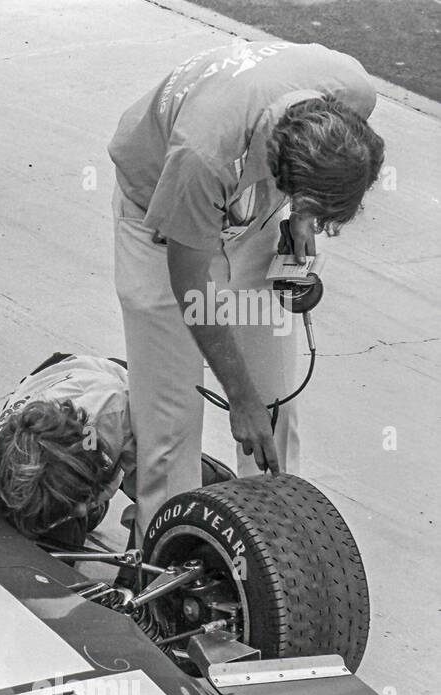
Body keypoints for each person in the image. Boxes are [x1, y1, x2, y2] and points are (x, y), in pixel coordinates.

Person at [108, 39, 383, 541]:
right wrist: (240, 398)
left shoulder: (350, 87)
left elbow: (332, 156)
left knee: (275, 403)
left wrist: (302, 217)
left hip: (250, 210)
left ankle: (276, 550)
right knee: (172, 422)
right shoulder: (202, 154)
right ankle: (163, 559)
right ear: (284, 174)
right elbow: (191, 287)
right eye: (311, 204)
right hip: (160, 221)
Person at [0, 353, 233, 546]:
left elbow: (156, 500)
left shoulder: (115, 416)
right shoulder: (2, 474)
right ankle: (87, 504)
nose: (80, 508)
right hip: (55, 381)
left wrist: (132, 583)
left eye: (81, 499)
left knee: (180, 499)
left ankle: (209, 475)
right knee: (55, 539)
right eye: (78, 501)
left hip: (117, 391)